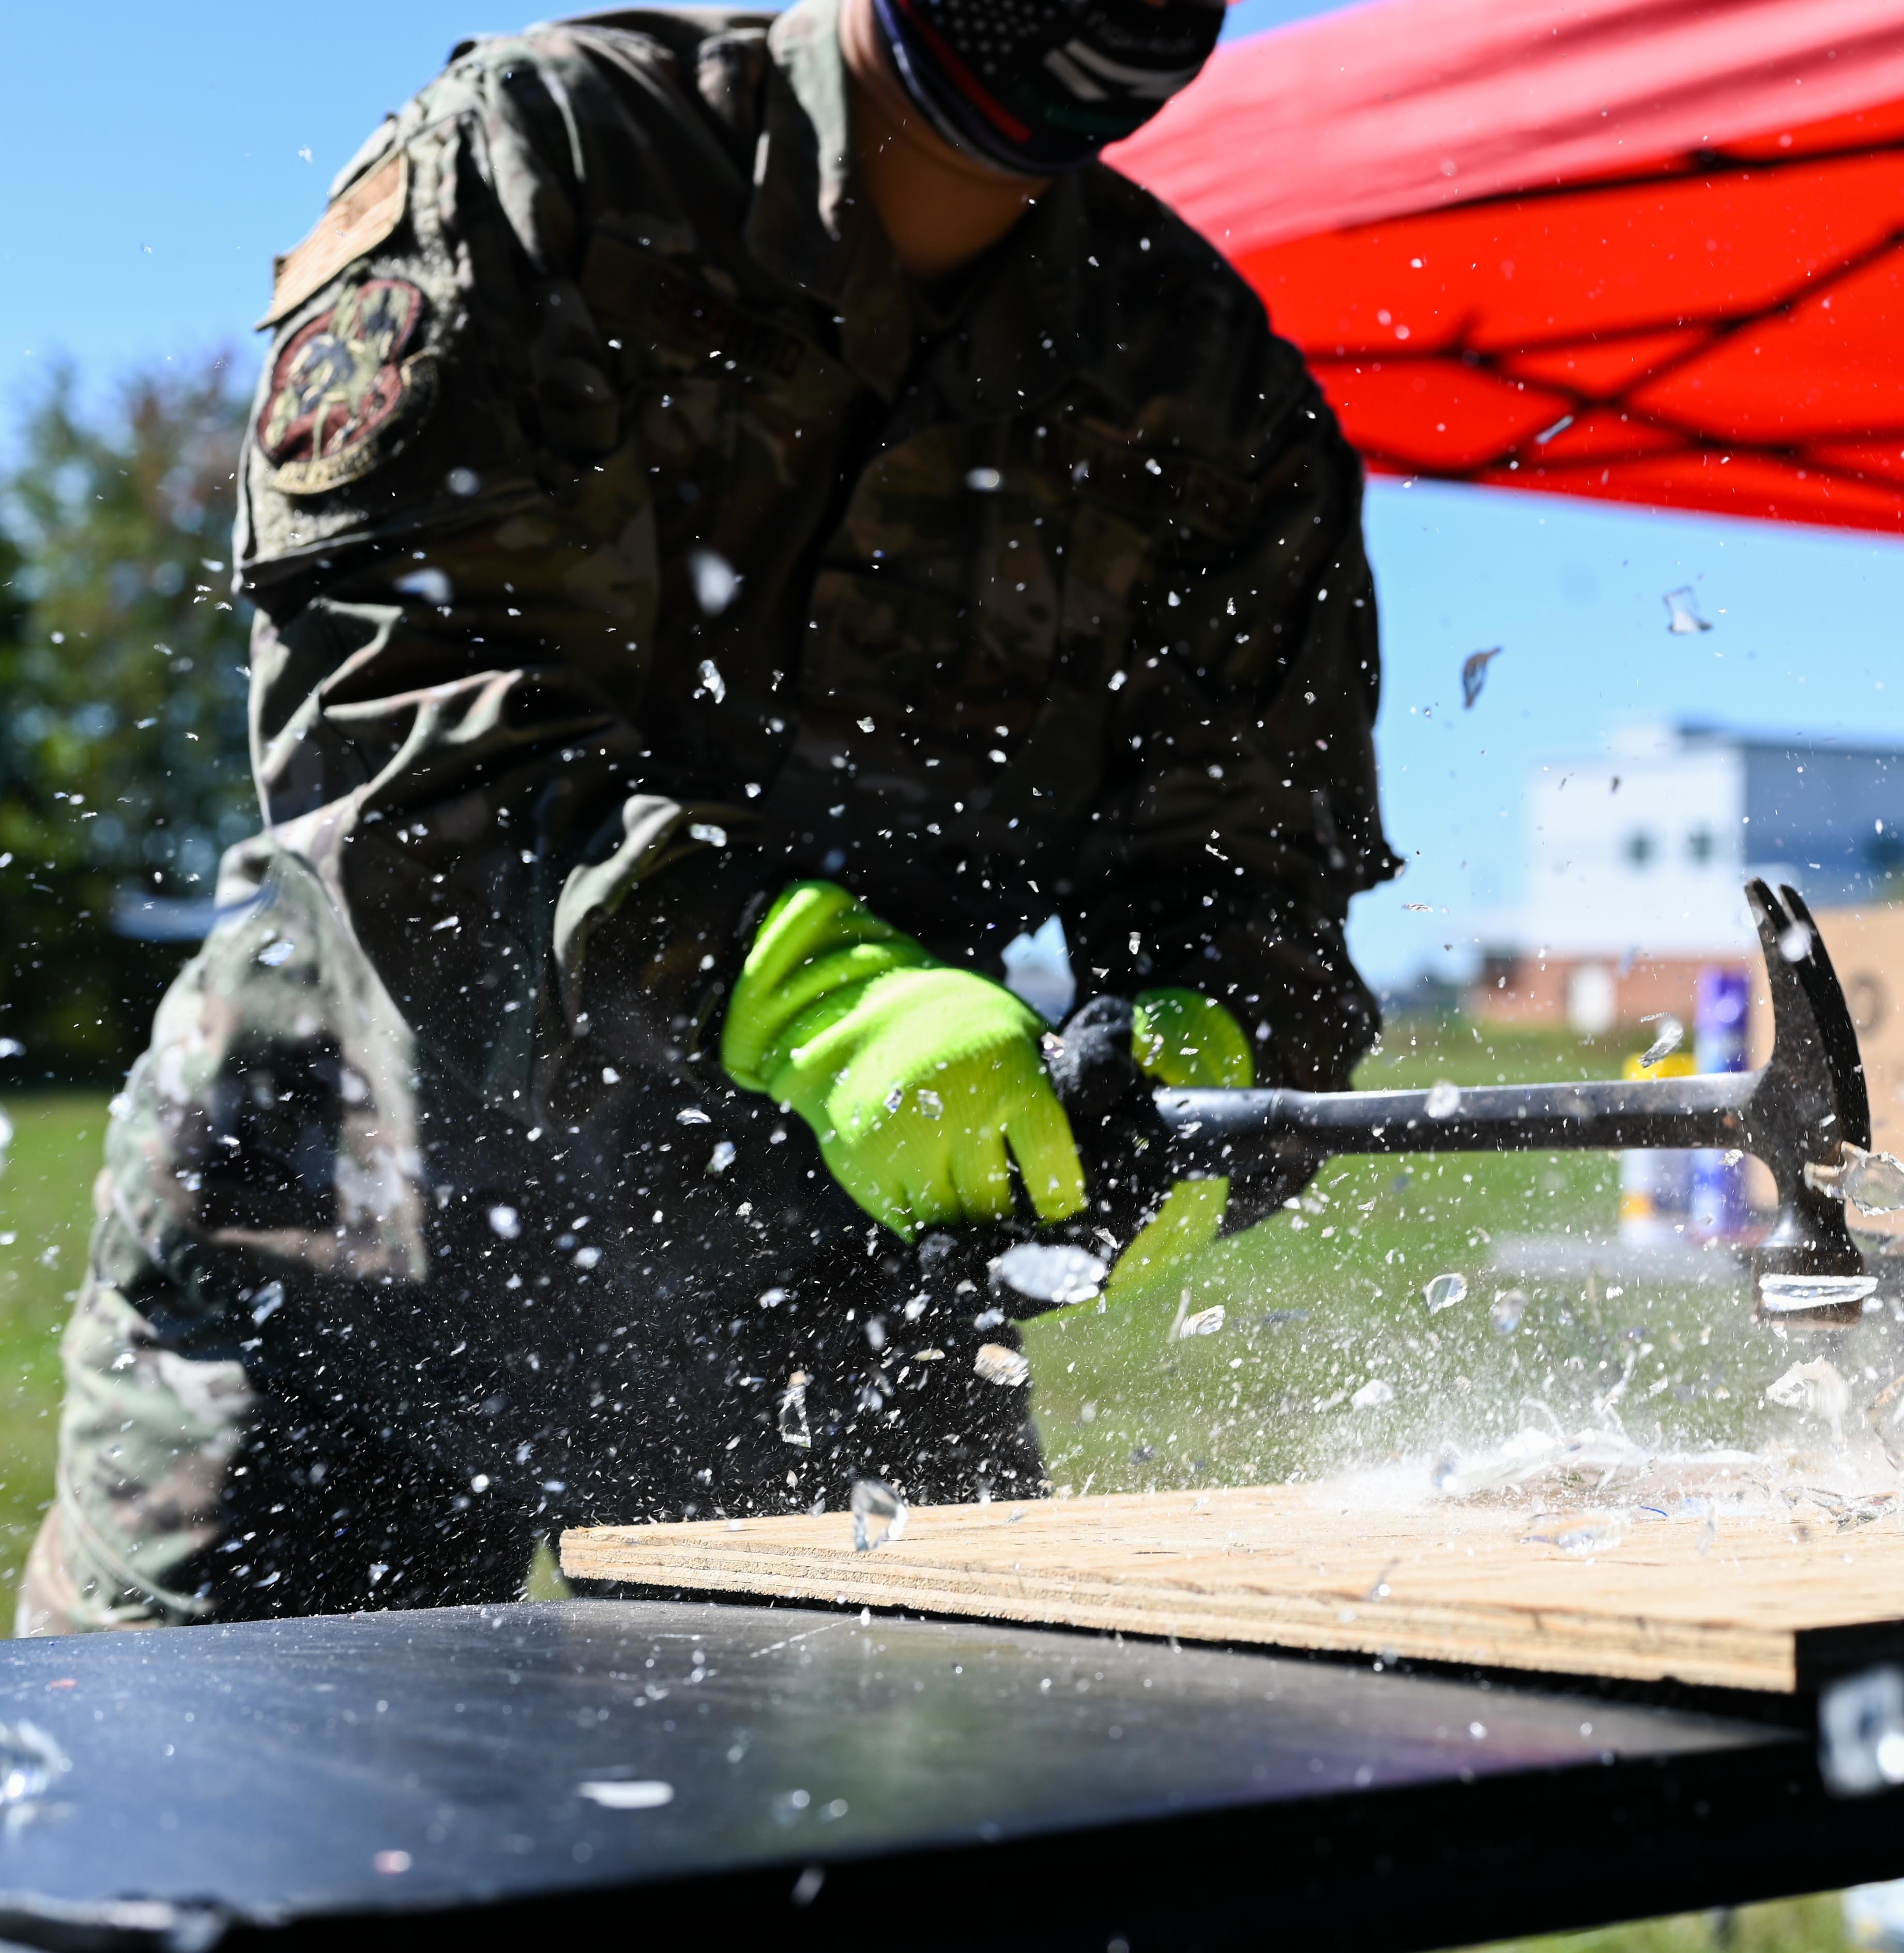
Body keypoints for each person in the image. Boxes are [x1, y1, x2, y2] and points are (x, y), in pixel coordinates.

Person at [21, 0, 1395, 1634]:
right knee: (187, 1790)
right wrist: (799, 991)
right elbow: (383, 706)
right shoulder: (553, 161)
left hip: (833, 1309)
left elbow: (1251, 887)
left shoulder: (1206, 396)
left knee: (953, 1789)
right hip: (333, 1249)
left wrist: (1188, 1068)